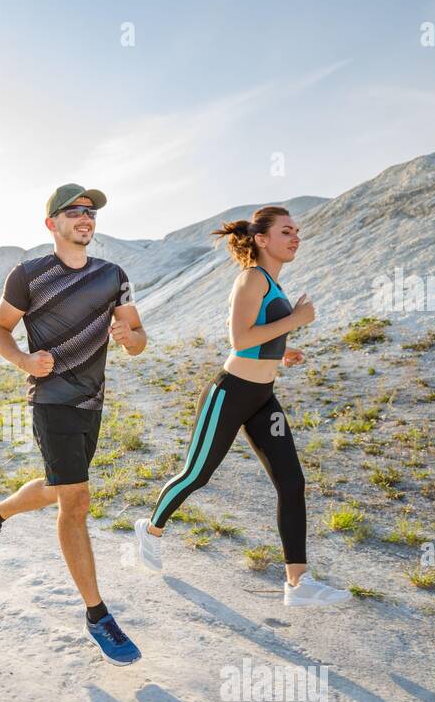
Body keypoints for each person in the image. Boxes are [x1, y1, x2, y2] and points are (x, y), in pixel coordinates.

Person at [133, 206, 350, 607]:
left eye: (297, 230)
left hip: (262, 397)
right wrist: (297, 320)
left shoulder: (272, 283)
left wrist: (283, 353)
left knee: (291, 482)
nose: (296, 237)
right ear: (262, 240)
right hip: (230, 393)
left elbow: (261, 337)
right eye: (287, 231)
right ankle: (150, 528)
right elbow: (240, 337)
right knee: (196, 474)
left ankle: (297, 583)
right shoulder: (251, 278)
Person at [0, 184, 148, 665]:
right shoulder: (29, 276)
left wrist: (129, 335)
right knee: (76, 500)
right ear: (52, 224)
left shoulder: (114, 275)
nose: (85, 218)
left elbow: (138, 340)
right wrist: (25, 362)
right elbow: (0, 329)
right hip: (51, 399)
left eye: (90, 212)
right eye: (74, 212)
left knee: (61, 486)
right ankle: (97, 615)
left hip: (93, 401)